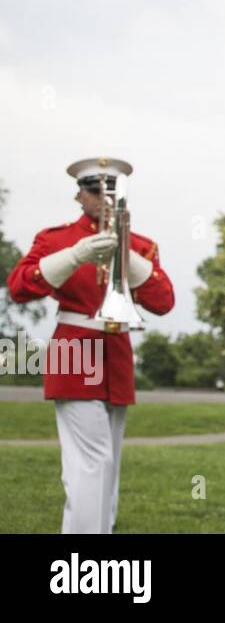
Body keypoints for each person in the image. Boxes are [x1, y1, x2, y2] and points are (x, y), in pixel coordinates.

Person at [6, 156, 174, 533]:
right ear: (79, 196)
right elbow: (19, 286)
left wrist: (124, 253)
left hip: (116, 352)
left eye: (111, 191)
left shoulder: (142, 246)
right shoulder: (56, 239)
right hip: (74, 348)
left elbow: (163, 302)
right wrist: (76, 254)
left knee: (107, 464)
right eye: (95, 191)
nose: (103, 198)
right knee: (90, 463)